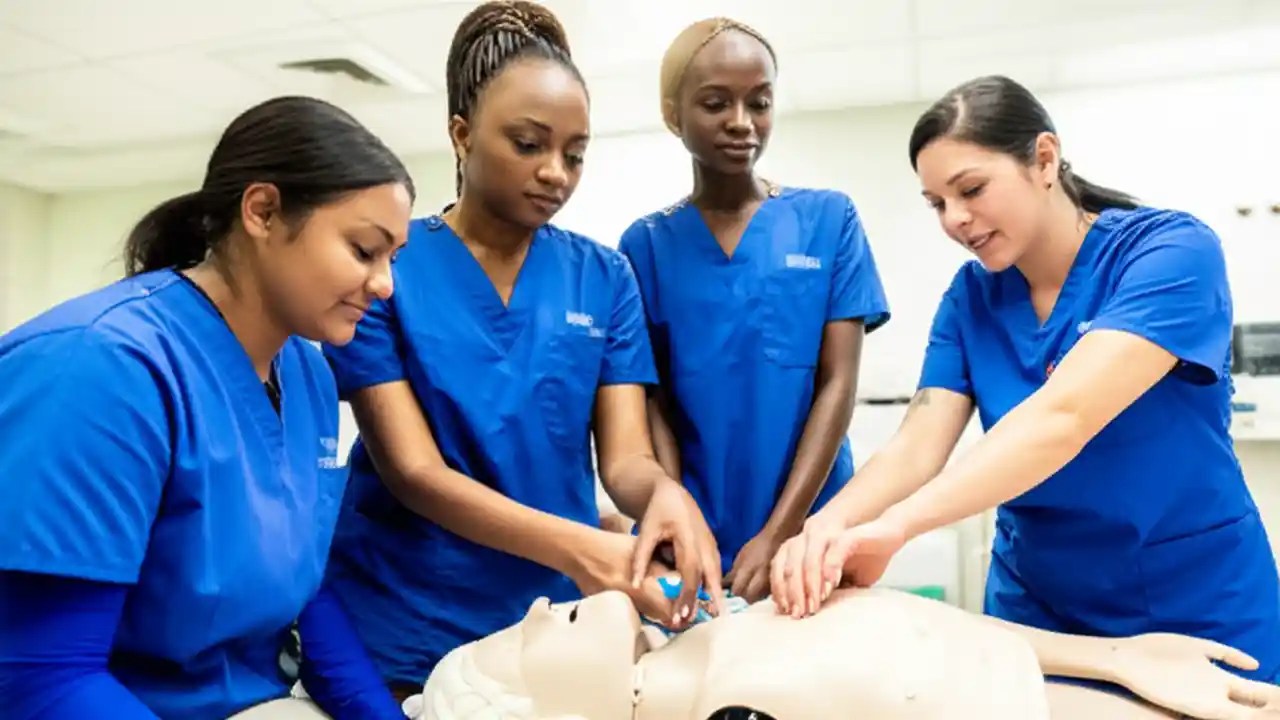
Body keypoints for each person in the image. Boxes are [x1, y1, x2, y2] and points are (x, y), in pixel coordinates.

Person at [770, 74, 1280, 684]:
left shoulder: (1167, 252)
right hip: (1039, 611)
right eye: (936, 203)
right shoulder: (970, 299)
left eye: (971, 189)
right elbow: (917, 442)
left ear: (1044, 158)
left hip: (1190, 597)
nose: (955, 220)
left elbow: (1062, 420)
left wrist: (898, 526)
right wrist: (828, 525)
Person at [320, 0, 722, 702]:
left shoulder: (602, 278)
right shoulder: (391, 268)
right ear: (461, 134)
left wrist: (663, 496)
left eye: (574, 153)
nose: (555, 173)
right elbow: (414, 471)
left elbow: (624, 459)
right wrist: (586, 547)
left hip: (548, 633)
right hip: (405, 619)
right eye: (528, 144)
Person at [0, 96, 415, 719]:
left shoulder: (306, 376)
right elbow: (40, 677)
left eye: (393, 259)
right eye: (363, 250)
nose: (385, 284)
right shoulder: (99, 370)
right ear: (263, 211)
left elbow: (301, 588)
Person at [617, 17, 890, 601]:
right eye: (716, 103)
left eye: (759, 102)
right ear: (673, 114)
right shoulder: (645, 245)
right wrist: (680, 515)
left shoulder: (827, 220)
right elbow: (652, 400)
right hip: (695, 537)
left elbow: (837, 384)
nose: (742, 123)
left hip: (811, 528)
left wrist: (780, 533)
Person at [402, 581, 1280, 720]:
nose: (536, 607)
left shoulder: (717, 630)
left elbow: (930, 630)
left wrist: (1114, 657)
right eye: (511, 646)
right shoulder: (723, 706)